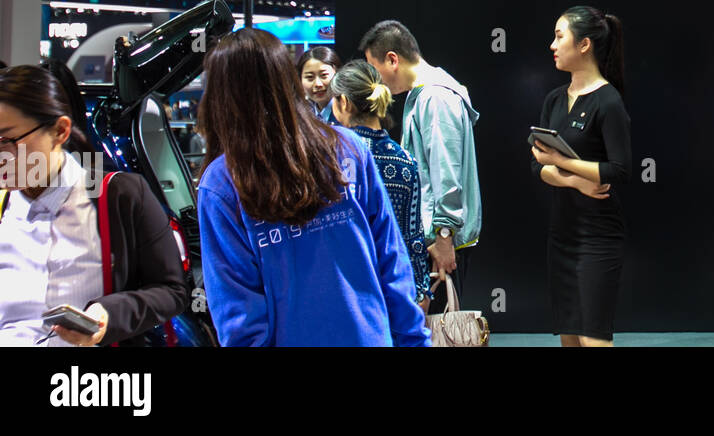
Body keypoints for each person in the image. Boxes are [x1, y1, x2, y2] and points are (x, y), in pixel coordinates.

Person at [196, 28, 429, 347]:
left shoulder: (221, 183)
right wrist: (414, 340)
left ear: (220, 96)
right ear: (287, 82)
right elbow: (392, 261)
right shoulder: (348, 148)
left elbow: (238, 312)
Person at [0, 65, 187, 346]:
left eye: (7, 140)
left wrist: (108, 315)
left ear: (60, 131)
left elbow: (172, 290)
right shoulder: (5, 204)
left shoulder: (120, 195)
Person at [361, 19, 481, 308]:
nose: (377, 82)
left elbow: (446, 171)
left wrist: (443, 235)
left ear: (393, 59)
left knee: (439, 330)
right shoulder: (426, 94)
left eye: (375, 70)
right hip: (434, 238)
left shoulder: (435, 96)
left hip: (441, 241)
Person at [530, 6, 631, 347]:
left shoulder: (609, 101)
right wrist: (572, 179)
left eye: (560, 37)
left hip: (598, 236)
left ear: (584, 44)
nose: (552, 45)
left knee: (593, 338)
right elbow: (537, 167)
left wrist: (561, 160)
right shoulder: (554, 99)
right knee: (570, 338)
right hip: (562, 234)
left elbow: (618, 170)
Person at [329, 59, 431, 311]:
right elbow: (413, 238)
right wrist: (421, 291)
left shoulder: (329, 157)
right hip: (392, 291)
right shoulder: (404, 161)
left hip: (340, 290)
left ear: (344, 103)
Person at [298, 46, 342, 124]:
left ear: (337, 74)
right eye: (310, 77)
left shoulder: (349, 113)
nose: (318, 84)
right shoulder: (301, 116)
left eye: (324, 75)